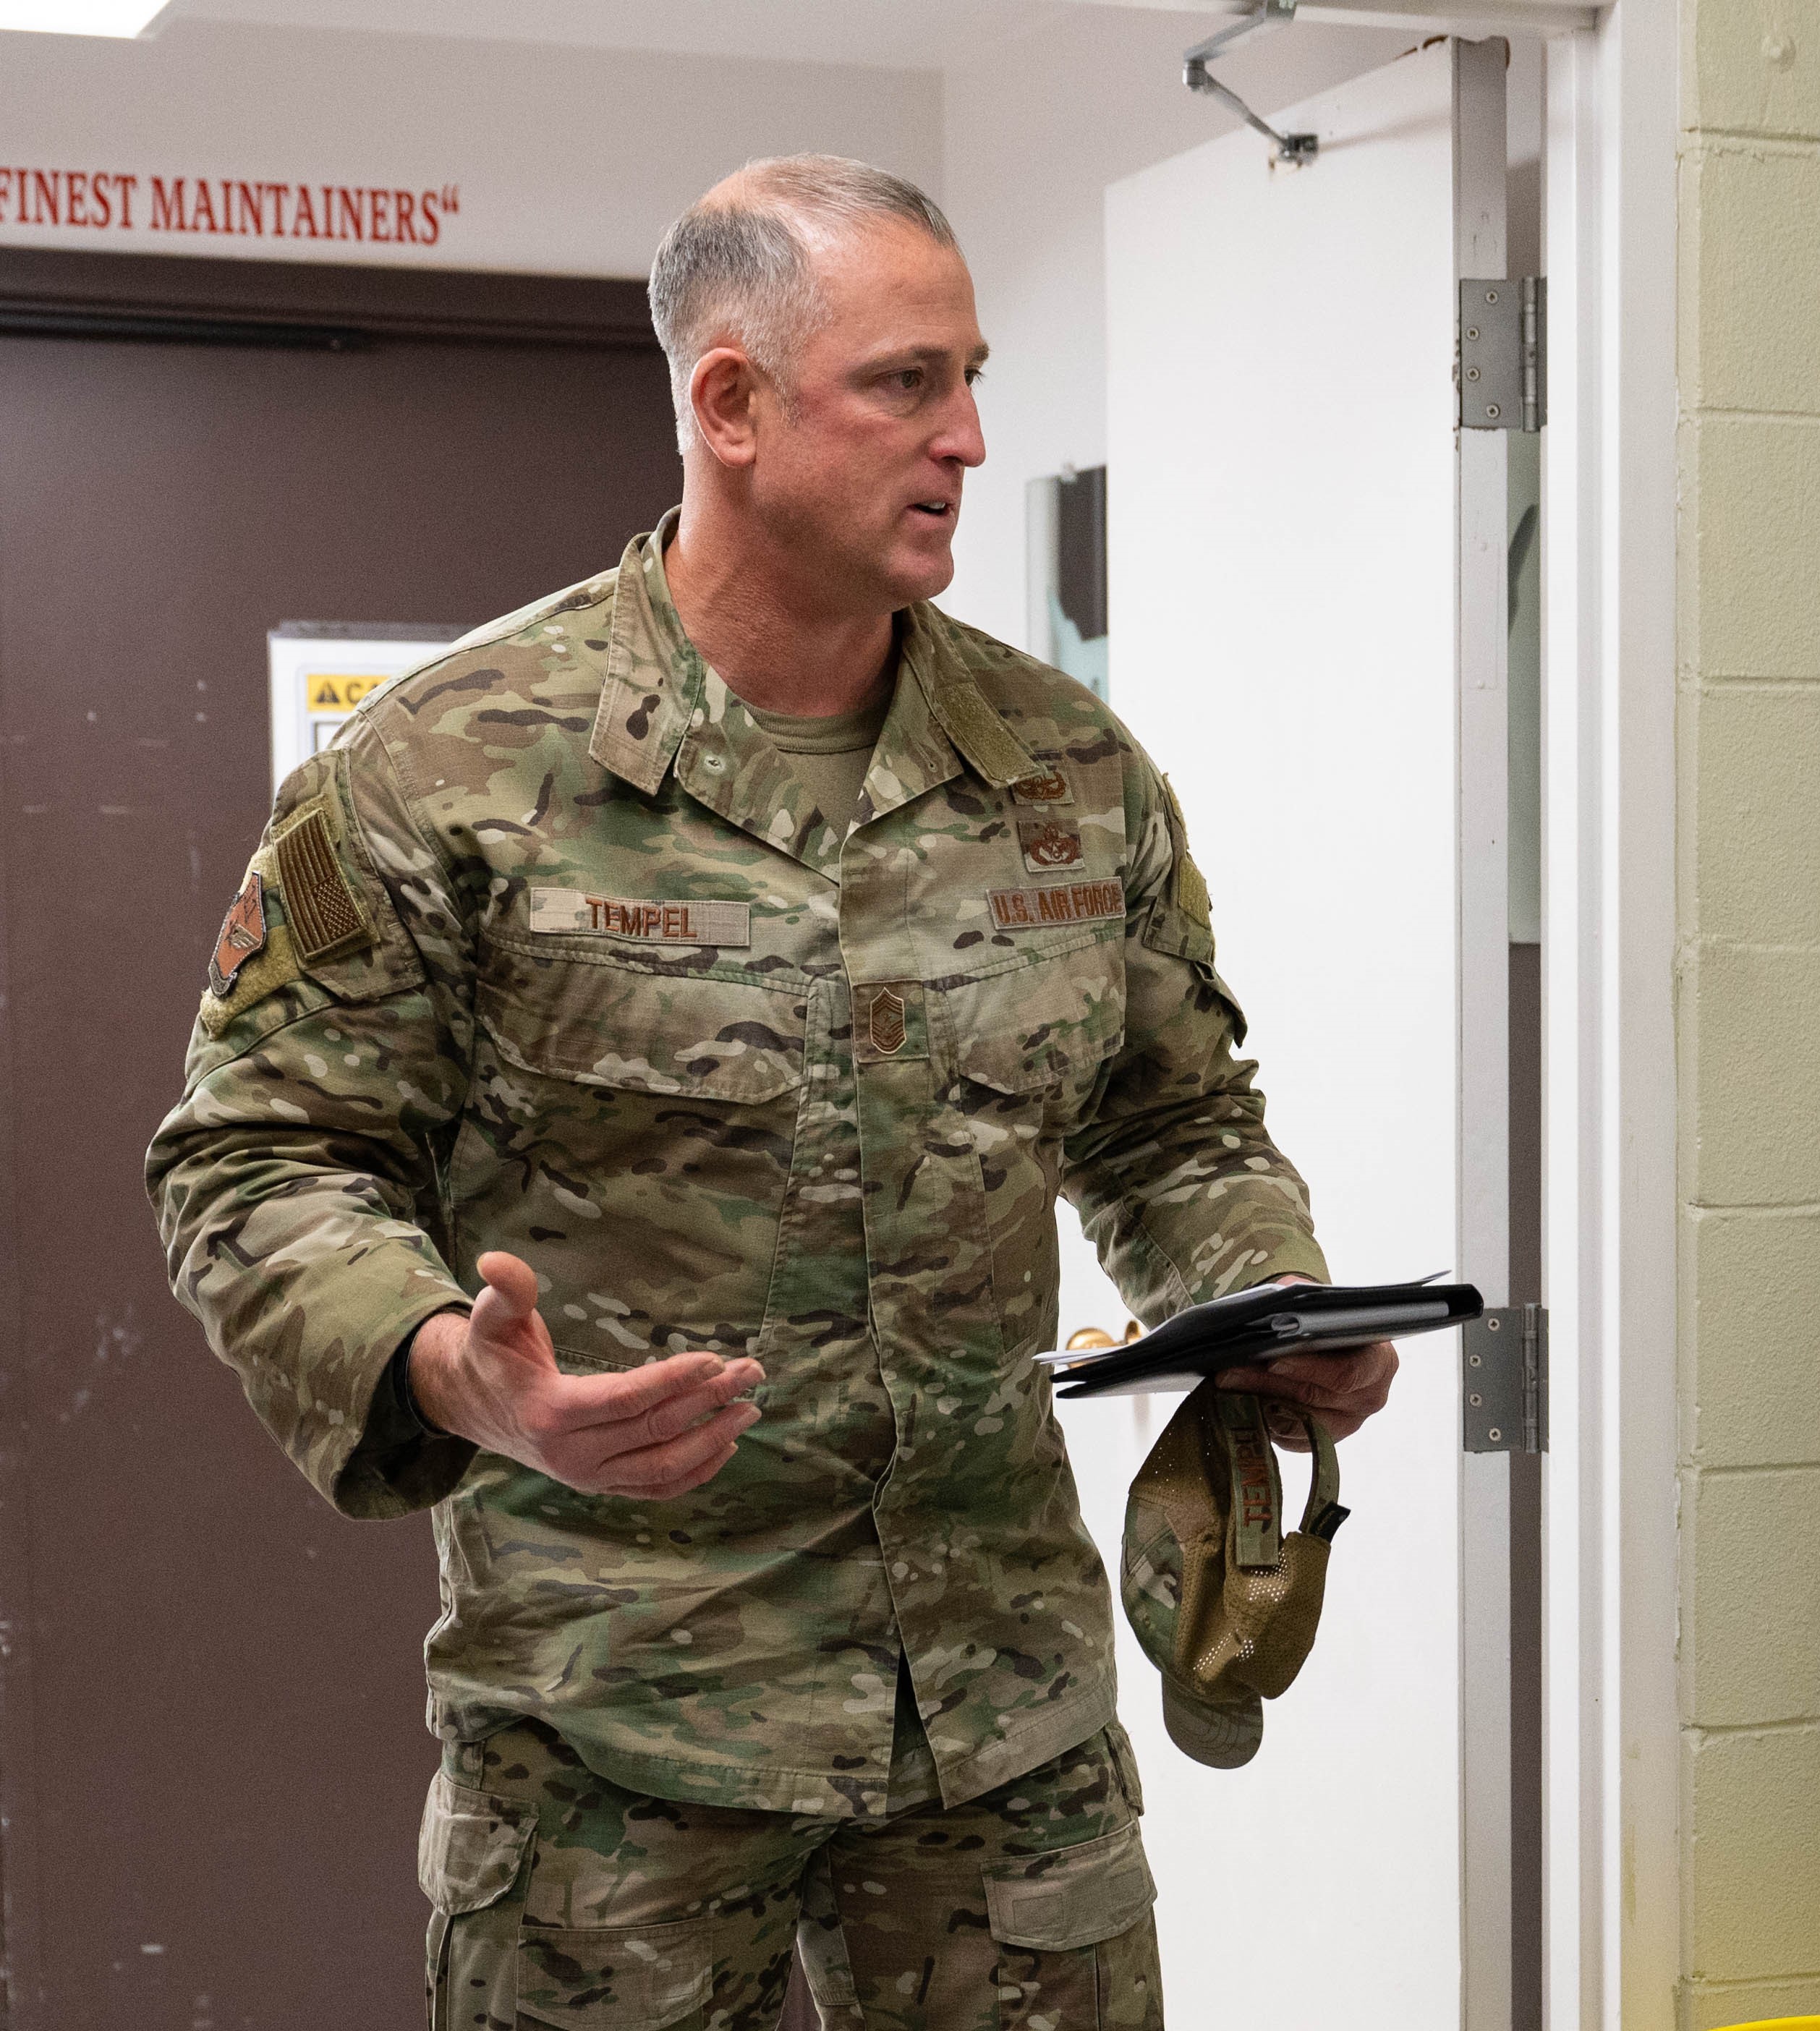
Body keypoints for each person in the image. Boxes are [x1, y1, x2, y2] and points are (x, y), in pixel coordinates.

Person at [145, 154, 1395, 2031]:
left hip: (997, 1730)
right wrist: (437, 1363)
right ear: (728, 405)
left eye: (973, 376)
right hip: (617, 1742)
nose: (969, 437)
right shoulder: (450, 770)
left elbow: (1169, 1120)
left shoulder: (1067, 771)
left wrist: (1258, 1303)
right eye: (907, 382)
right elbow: (257, 1159)